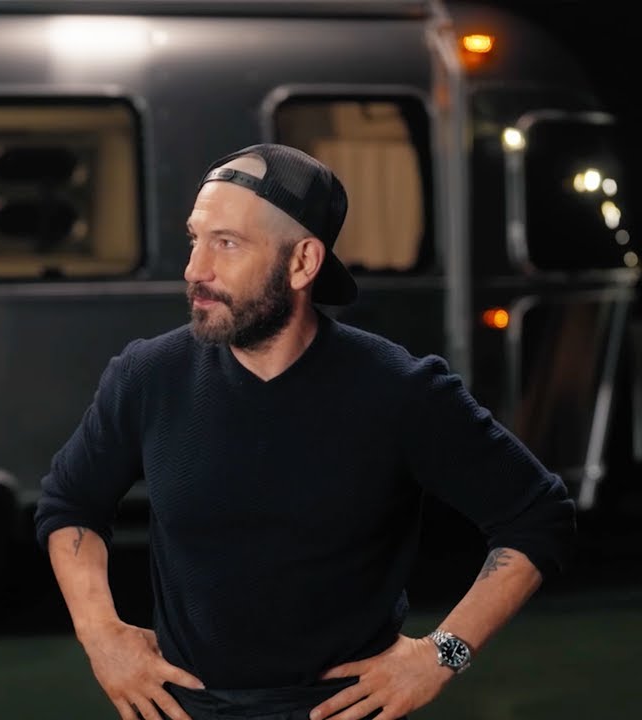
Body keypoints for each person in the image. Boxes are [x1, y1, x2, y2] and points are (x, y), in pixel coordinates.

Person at [33, 143, 575, 720]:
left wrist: (442, 654)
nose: (195, 270)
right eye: (196, 239)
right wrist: (101, 635)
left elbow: (537, 515)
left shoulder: (399, 389)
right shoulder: (148, 377)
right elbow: (71, 502)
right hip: (183, 708)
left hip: (343, 710)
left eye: (227, 243)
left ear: (303, 262)